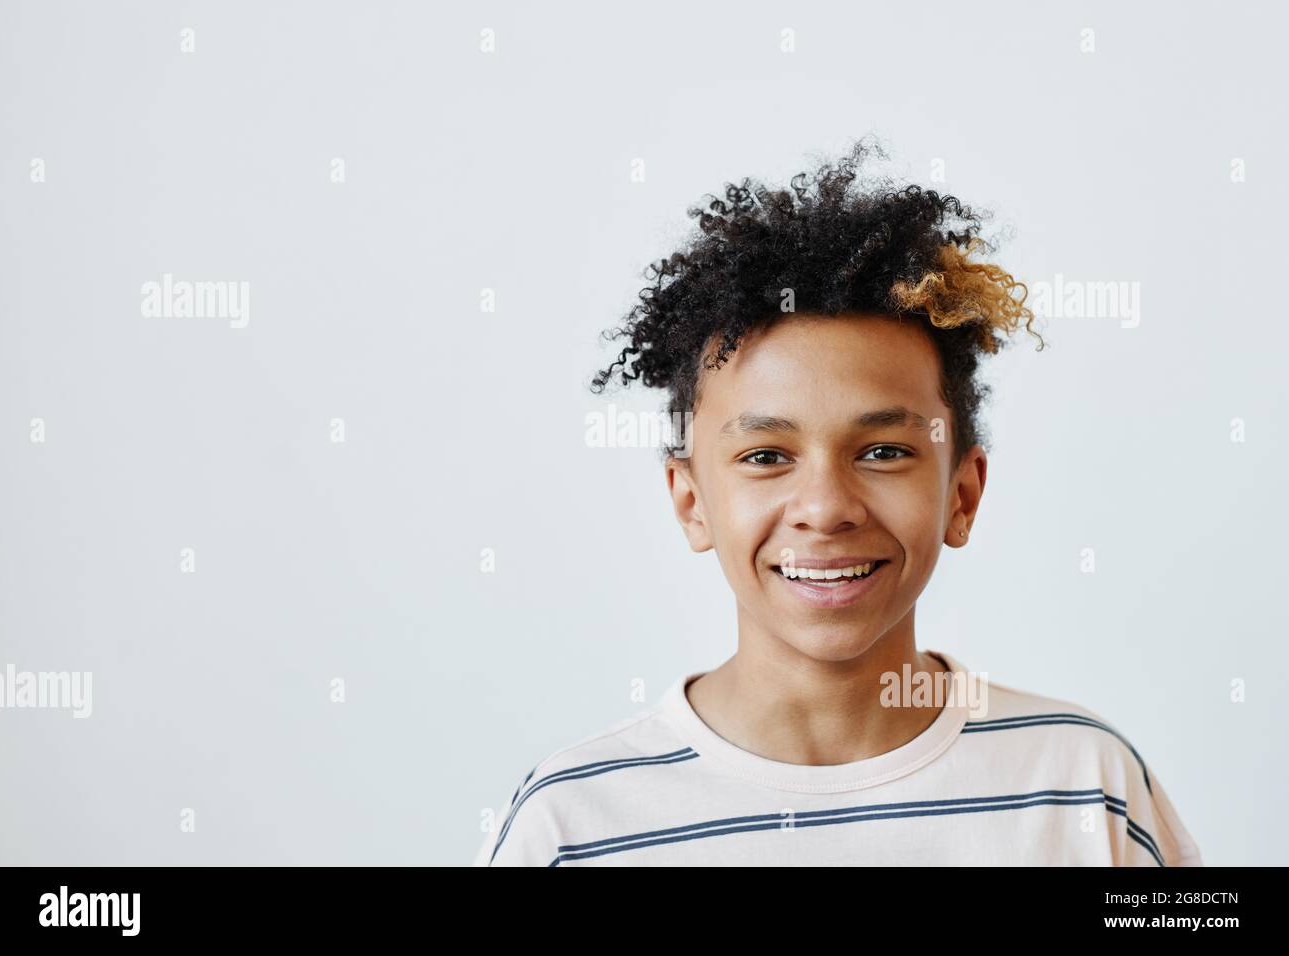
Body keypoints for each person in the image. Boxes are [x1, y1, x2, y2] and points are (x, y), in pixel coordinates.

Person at [473, 138, 1202, 867]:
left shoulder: (1084, 785)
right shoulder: (572, 824)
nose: (825, 509)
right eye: (765, 457)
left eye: (883, 452)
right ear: (692, 502)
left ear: (962, 494)